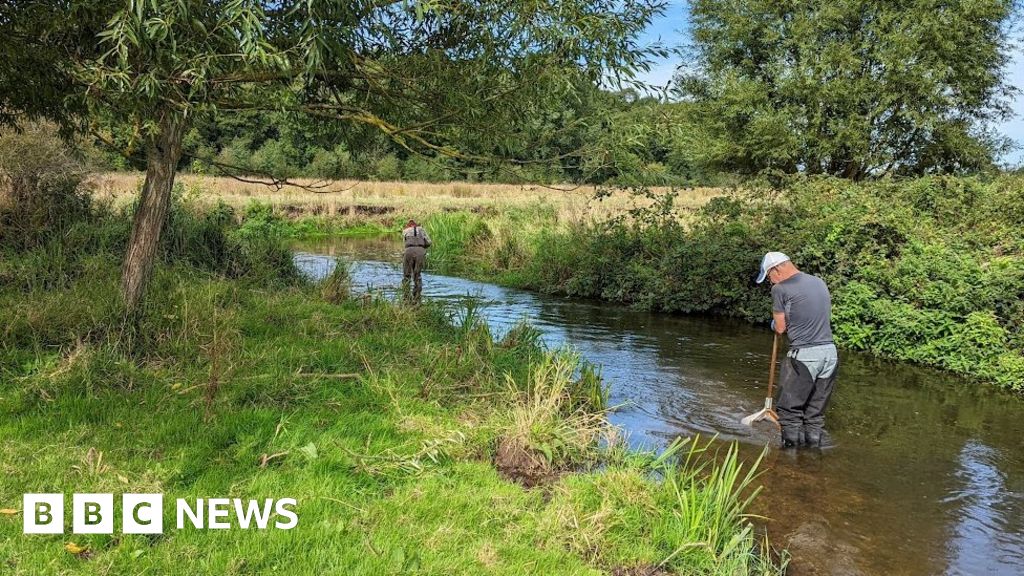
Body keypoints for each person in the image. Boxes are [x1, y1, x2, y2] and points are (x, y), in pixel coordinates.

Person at [757, 251, 838, 449]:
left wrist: (773, 325)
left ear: (777, 269)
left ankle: (788, 460)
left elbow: (781, 328)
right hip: (830, 354)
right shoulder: (819, 281)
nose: (770, 281)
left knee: (789, 412)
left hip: (805, 356)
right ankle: (812, 460)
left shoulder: (779, 289)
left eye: (769, 276)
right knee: (814, 413)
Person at [401, 219, 431, 302]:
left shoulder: (405, 231)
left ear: (408, 225)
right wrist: (422, 247)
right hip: (420, 251)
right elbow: (429, 242)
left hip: (408, 250)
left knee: (406, 274)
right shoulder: (422, 229)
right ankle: (417, 296)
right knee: (417, 275)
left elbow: (404, 243)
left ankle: (406, 295)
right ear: (416, 225)